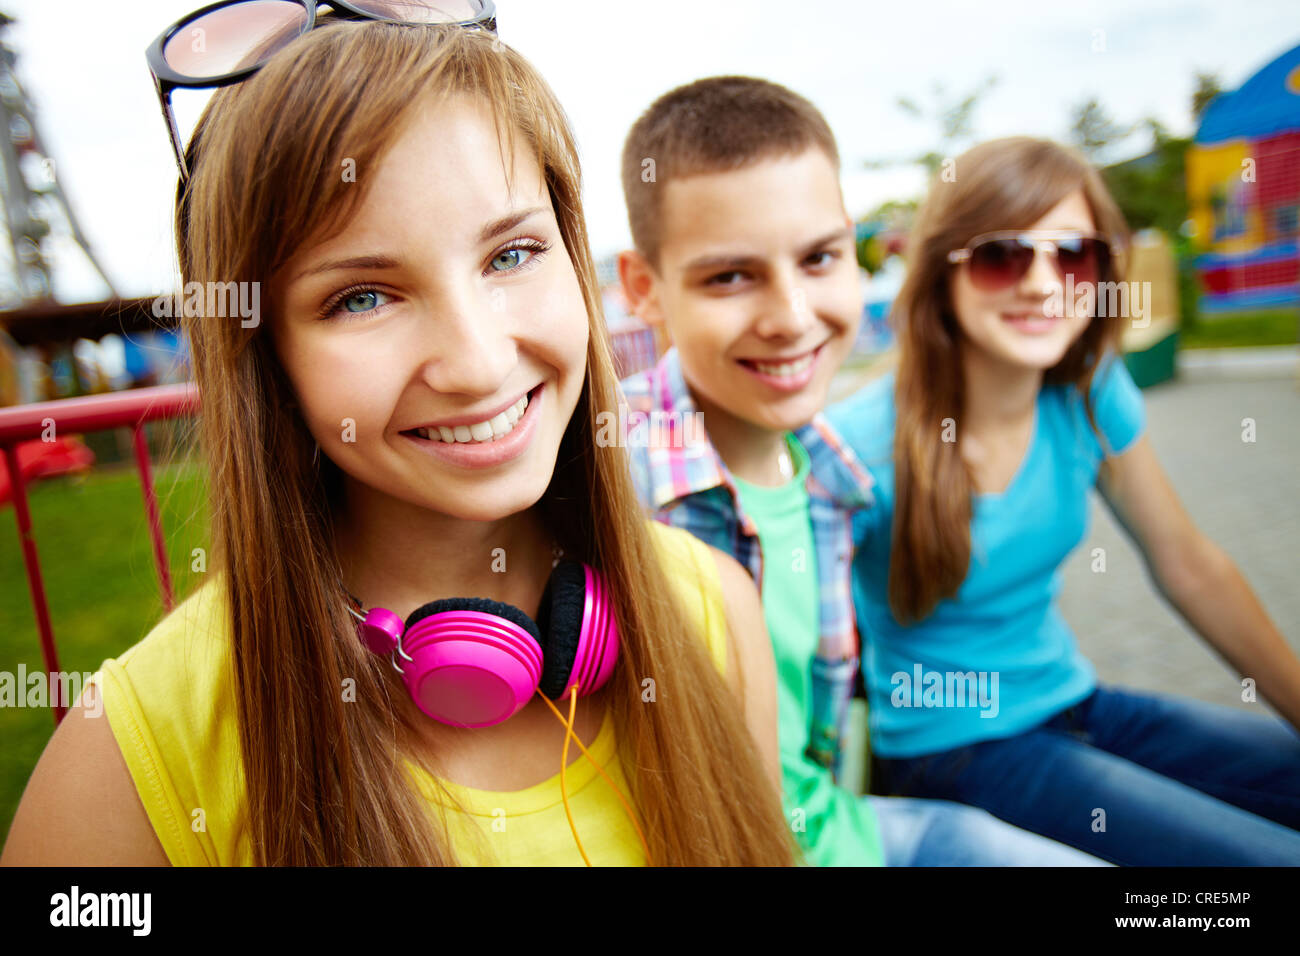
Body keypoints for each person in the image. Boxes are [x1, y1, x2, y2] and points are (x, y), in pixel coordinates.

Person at [1, 13, 794, 867]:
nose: (477, 363)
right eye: (363, 298)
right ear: (265, 357)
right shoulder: (123, 764)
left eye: (512, 254)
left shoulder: (714, 611)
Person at [617, 78, 1105, 865]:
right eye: (729, 276)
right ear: (646, 289)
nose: (791, 317)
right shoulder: (608, 480)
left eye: (818, 258)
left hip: (851, 834)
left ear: (853, 247)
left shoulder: (835, 478)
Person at [827, 135, 1300, 866]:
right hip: (952, 749)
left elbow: (1189, 564)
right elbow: (799, 647)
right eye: (1002, 256)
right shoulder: (859, 443)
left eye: (1073, 254)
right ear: (943, 271)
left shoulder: (1090, 391)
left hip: (1076, 701)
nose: (1045, 284)